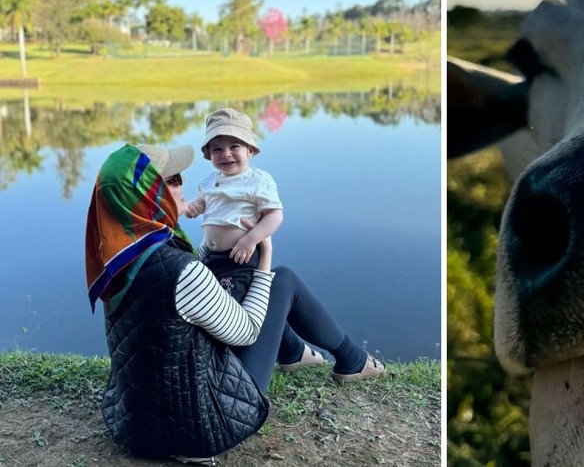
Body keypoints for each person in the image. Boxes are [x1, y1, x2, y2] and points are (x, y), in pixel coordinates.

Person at [85, 143, 384, 463]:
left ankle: (295, 353)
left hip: (134, 425)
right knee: (282, 280)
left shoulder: (116, 260)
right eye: (172, 180)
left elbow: (184, 298)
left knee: (237, 289)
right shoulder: (181, 271)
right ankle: (351, 360)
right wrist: (264, 257)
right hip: (200, 428)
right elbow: (248, 332)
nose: (182, 184)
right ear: (148, 196)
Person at [185, 108, 282, 305]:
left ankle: (248, 332)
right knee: (205, 299)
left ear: (250, 150)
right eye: (217, 149)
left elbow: (274, 215)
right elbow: (206, 201)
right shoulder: (210, 181)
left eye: (234, 146)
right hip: (211, 257)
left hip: (240, 257)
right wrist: (196, 205)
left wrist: (251, 239)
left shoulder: (257, 180)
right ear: (209, 154)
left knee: (230, 305)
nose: (226, 154)